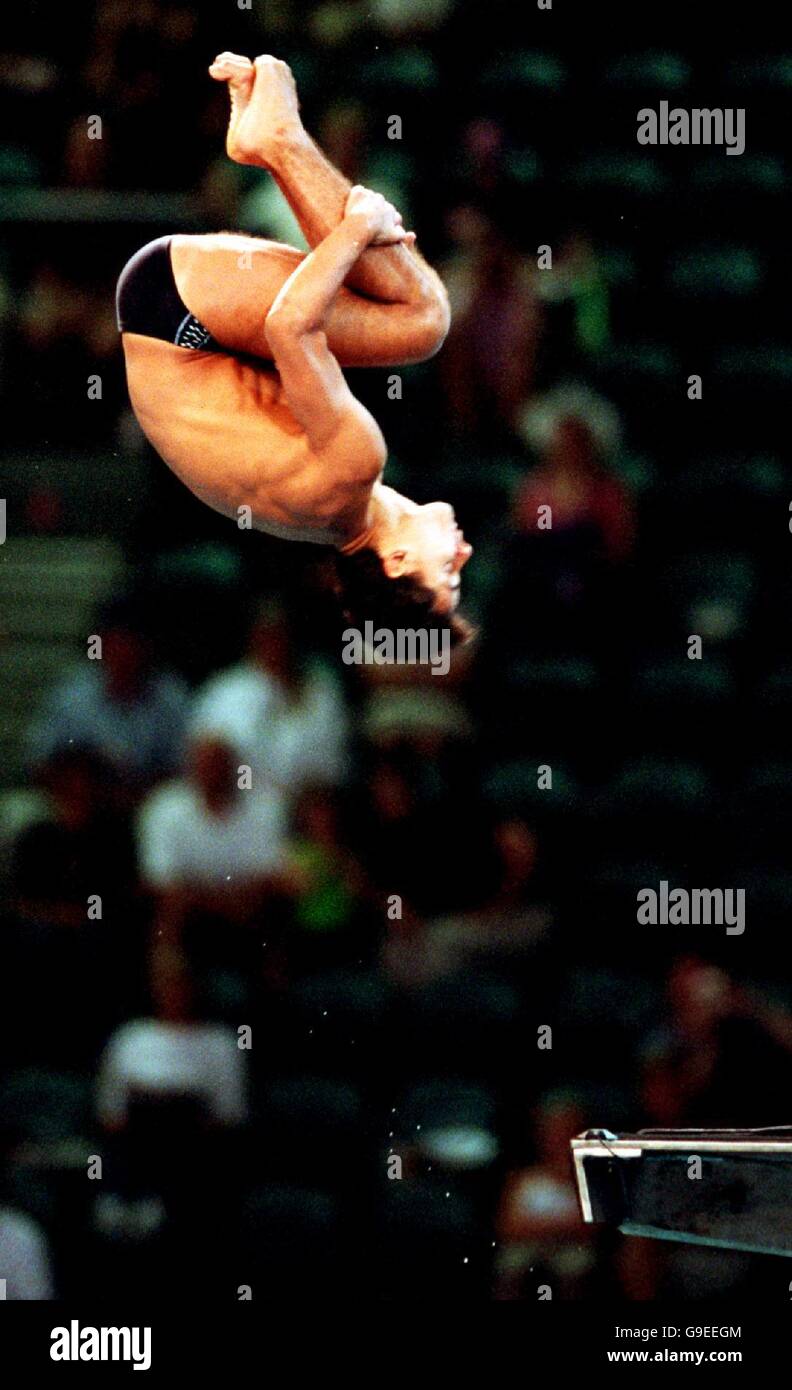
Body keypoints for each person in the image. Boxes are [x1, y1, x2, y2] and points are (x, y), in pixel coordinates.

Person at [117, 53, 472, 641]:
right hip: (171, 325)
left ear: (398, 563)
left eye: (449, 576)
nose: (463, 555)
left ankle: (278, 140)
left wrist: (359, 225)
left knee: (423, 321)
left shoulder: (356, 470)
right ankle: (269, 145)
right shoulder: (325, 521)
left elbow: (288, 328)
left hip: (179, 307)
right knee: (397, 308)